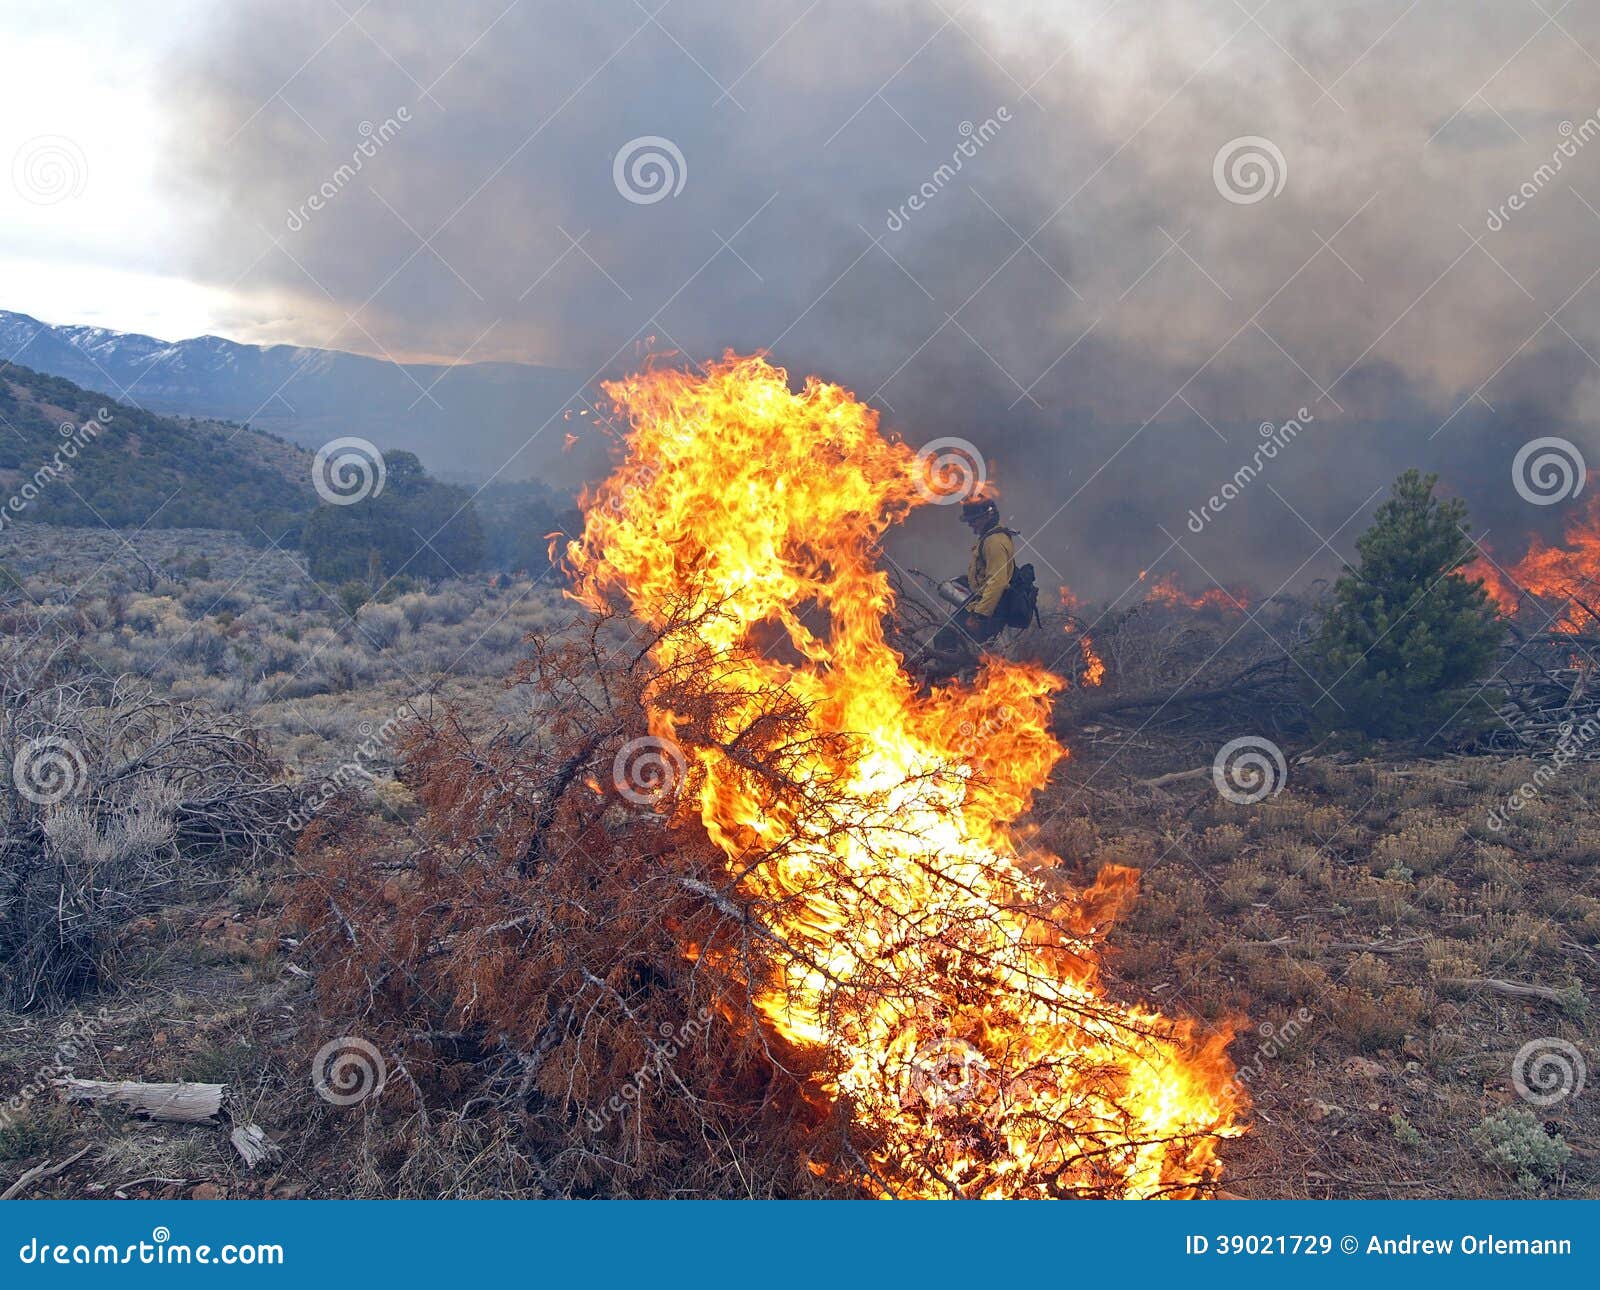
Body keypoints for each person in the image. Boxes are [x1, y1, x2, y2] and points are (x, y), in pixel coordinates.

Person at [927, 495, 1015, 665]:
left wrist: (979, 616)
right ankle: (959, 674)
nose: (970, 524)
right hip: (981, 605)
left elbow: (997, 582)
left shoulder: (994, 542)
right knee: (949, 637)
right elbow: (989, 576)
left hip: (989, 611)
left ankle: (948, 677)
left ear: (987, 516)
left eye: (973, 520)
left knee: (946, 637)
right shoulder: (990, 538)